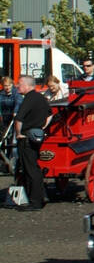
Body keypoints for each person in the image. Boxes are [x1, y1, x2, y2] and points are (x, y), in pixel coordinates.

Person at [12, 75, 51, 210]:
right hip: (37, 136)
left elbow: (18, 119)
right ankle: (40, 197)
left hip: (27, 137)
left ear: (28, 86)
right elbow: (50, 114)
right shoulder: (41, 98)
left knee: (30, 169)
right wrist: (42, 127)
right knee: (34, 168)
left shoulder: (29, 99)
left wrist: (19, 134)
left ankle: (35, 202)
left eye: (20, 84)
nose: (17, 86)